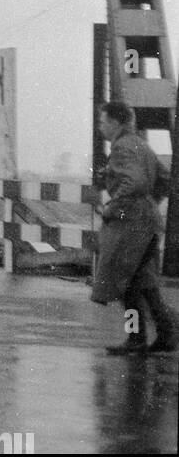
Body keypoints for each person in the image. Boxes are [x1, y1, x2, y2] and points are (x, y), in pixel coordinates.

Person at [91, 101, 176, 355]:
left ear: (116, 123)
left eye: (103, 121)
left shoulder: (121, 147)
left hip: (131, 226)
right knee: (145, 281)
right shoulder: (142, 145)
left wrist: (112, 206)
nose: (100, 127)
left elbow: (134, 182)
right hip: (148, 223)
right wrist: (150, 204)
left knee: (125, 282)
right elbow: (163, 180)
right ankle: (166, 335)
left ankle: (136, 338)